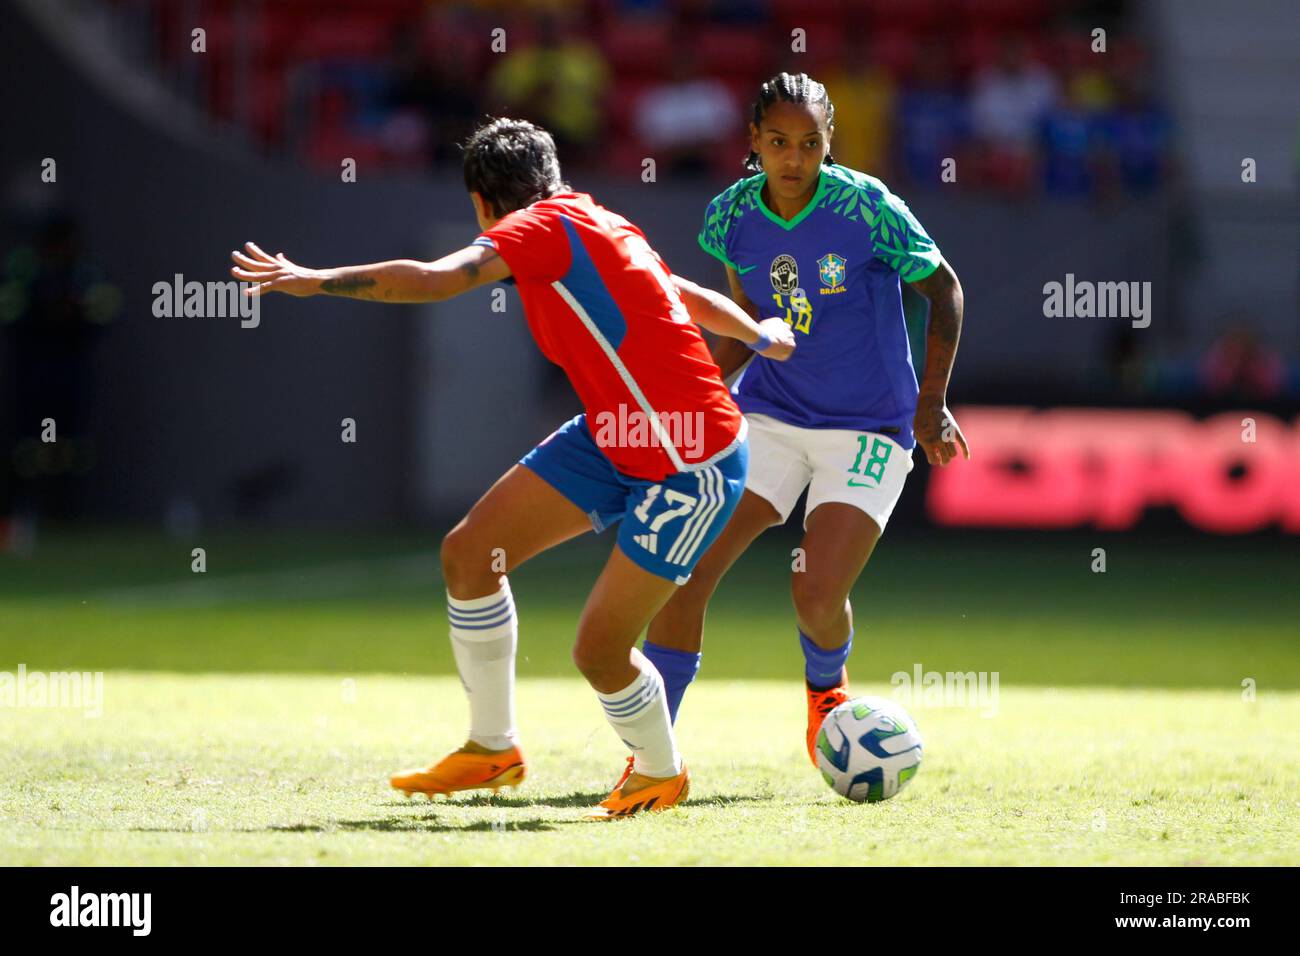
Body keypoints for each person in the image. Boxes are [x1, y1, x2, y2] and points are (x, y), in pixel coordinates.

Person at [230, 117, 795, 818]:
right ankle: (492, 748)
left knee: (600, 649)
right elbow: (681, 292)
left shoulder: (532, 230)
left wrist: (315, 280)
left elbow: (438, 281)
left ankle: (660, 770)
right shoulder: (599, 220)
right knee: (471, 555)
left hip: (691, 462)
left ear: (482, 203)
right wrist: (757, 332)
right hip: (615, 434)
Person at [643, 73, 969, 764]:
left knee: (814, 591)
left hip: (867, 428)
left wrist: (930, 403)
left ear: (830, 144)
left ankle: (826, 697)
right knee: (683, 567)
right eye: (779, 143)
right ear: (753, 142)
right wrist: (692, 389)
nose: (794, 159)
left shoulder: (868, 206)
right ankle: (651, 749)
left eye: (810, 144)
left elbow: (945, 290)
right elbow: (743, 328)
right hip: (770, 413)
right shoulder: (728, 217)